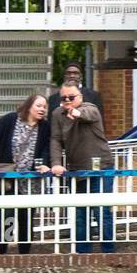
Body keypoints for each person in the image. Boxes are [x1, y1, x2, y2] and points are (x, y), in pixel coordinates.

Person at [0, 92, 52, 255]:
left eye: (44, 107)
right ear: (29, 106)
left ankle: (24, 254)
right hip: (8, 178)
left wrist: (45, 164)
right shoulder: (10, 120)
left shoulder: (45, 127)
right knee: (8, 215)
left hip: (30, 180)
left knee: (26, 218)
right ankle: (3, 251)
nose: (42, 110)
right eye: (38, 106)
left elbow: (48, 148)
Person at [50, 81, 115, 254]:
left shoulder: (89, 108)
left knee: (101, 211)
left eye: (71, 97)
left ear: (80, 97)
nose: (67, 101)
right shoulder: (57, 114)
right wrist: (56, 163)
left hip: (101, 168)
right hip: (77, 170)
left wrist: (76, 113)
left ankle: (108, 252)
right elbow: (56, 139)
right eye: (63, 98)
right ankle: (82, 253)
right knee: (80, 214)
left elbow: (88, 113)